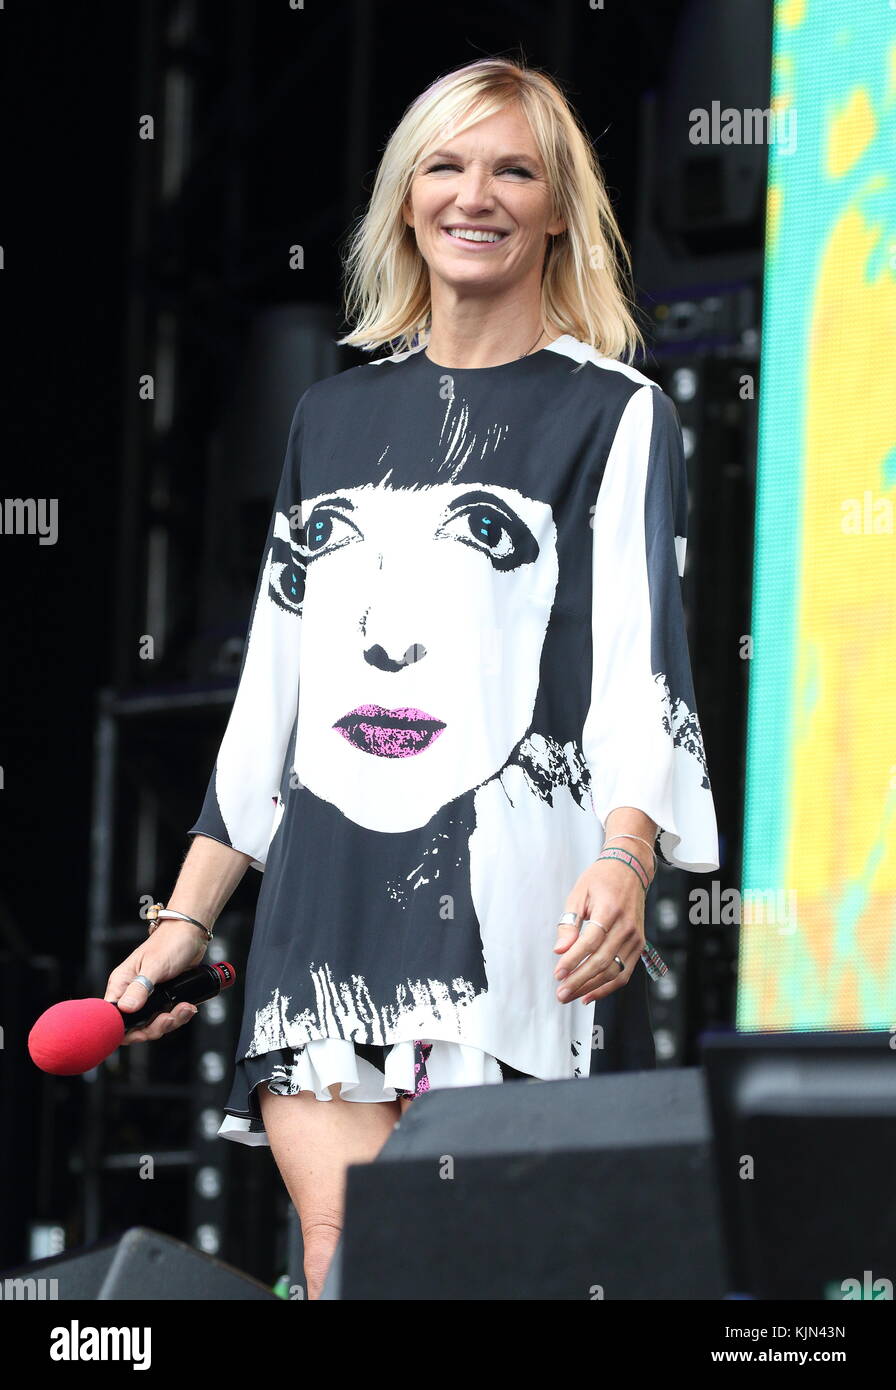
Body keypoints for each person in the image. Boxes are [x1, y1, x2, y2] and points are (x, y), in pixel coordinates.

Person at [104, 56, 719, 1300]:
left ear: (557, 207)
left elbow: (637, 662)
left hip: (520, 917)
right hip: (323, 916)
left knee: (474, 1279)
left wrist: (626, 851)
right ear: (404, 198)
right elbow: (273, 699)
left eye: (512, 168)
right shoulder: (326, 420)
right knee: (347, 1265)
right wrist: (184, 920)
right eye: (443, 164)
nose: (472, 194)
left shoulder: (616, 411)